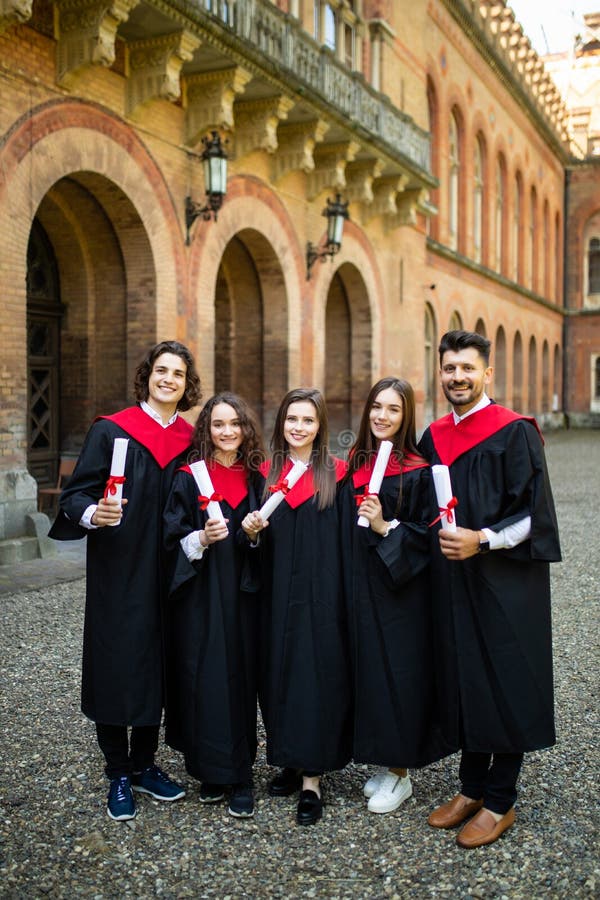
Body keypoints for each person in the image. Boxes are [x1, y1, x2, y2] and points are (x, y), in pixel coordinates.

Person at [419, 330, 561, 849]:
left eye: (467, 368)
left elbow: (536, 516)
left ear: (487, 374)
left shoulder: (514, 432)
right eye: (449, 368)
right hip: (453, 582)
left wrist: (483, 538)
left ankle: (501, 798)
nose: (457, 377)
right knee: (464, 675)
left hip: (506, 578)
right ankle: (471, 787)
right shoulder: (433, 437)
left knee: (503, 677)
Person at [49, 340, 202, 822]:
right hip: (119, 568)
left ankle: (144, 764)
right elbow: (74, 497)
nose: (169, 380)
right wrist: (97, 511)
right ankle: (117, 770)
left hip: (174, 569)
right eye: (162, 370)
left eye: (178, 374)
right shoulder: (112, 431)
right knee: (118, 662)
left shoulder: (190, 439)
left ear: (186, 384)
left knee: (159, 662)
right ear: (148, 375)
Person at [242, 388, 351, 826]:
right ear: (281, 423)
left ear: (320, 426)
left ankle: (312, 779)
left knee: (314, 677)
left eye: (307, 420)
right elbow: (250, 537)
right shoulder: (264, 473)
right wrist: (248, 532)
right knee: (278, 674)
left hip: (322, 596)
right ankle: (288, 758)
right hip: (274, 595)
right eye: (292, 419)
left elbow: (347, 543)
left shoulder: (337, 475)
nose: (298, 427)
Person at [339, 377, 446, 814]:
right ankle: (386, 763)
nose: (382, 416)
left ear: (406, 418)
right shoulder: (355, 462)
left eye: (394, 410)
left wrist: (385, 526)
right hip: (358, 583)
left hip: (400, 589)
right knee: (368, 672)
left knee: (398, 673)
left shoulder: (418, 470)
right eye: (377, 407)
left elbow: (430, 534)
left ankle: (401, 774)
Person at [162, 392, 265, 819]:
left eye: (234, 424)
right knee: (203, 673)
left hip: (243, 594)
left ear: (245, 429)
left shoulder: (257, 478)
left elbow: (265, 541)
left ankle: (240, 774)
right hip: (201, 596)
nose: (227, 432)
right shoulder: (188, 477)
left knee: (240, 675)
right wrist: (202, 538)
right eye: (218, 424)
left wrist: (255, 533)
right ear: (206, 429)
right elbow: (171, 539)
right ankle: (208, 771)